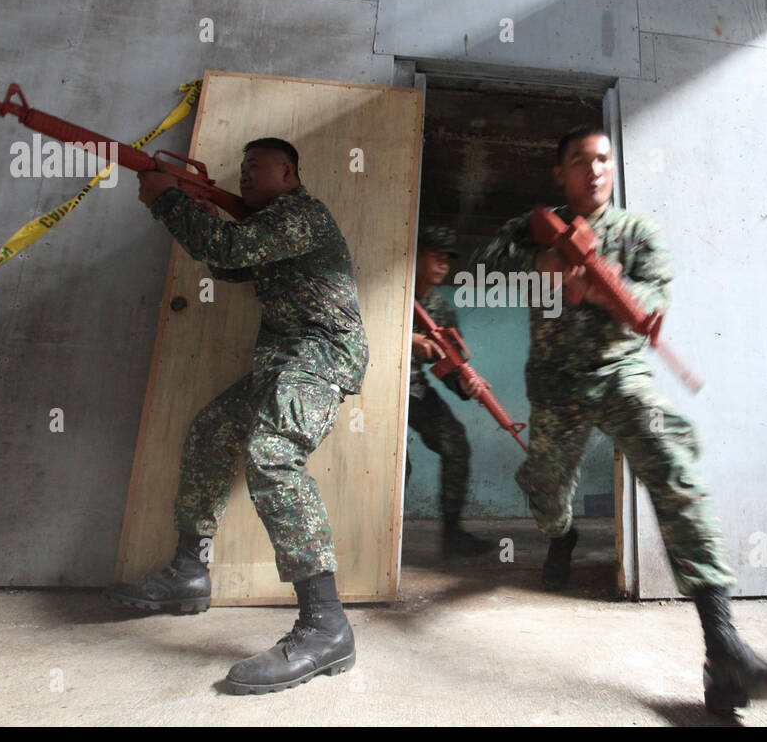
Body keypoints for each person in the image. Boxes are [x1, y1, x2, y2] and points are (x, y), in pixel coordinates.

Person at [477, 126, 767, 716]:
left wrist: (606, 290)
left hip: (621, 375)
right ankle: (563, 535)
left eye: (603, 159)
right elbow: (489, 262)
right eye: (579, 160)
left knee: (674, 466)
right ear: (560, 172)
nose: (594, 170)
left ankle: (724, 648)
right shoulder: (535, 221)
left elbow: (653, 302)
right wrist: (544, 260)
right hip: (553, 383)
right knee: (546, 493)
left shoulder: (636, 232)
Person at [108, 137, 369, 695]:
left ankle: (326, 626)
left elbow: (226, 251)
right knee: (210, 432)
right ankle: (188, 571)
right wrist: (198, 212)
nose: (245, 175)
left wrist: (167, 201)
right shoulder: (269, 225)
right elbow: (233, 264)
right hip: (282, 360)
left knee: (272, 456)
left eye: (257, 166)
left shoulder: (301, 213)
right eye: (242, 168)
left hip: (320, 355)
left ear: (289, 171)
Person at [409, 227, 494, 557]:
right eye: (435, 254)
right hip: (375, 386)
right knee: (396, 465)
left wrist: (464, 384)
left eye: (447, 258)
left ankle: (452, 535)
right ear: (414, 254)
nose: (443, 263)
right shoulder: (391, 292)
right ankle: (375, 542)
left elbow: (448, 367)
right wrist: (407, 340)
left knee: (456, 444)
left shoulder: (441, 310)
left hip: (415, 390)